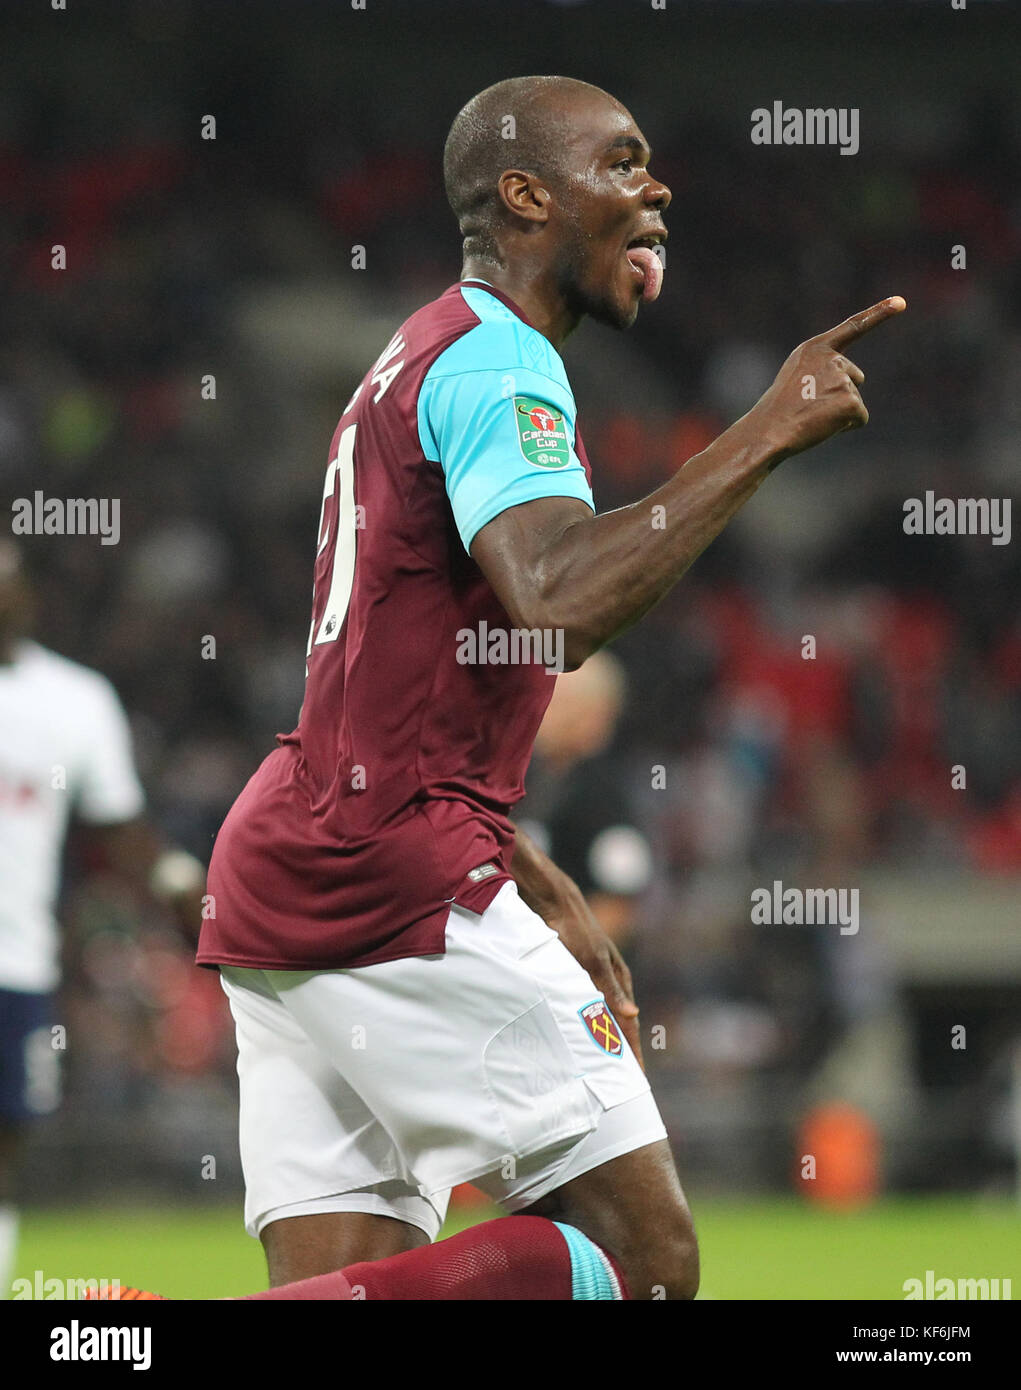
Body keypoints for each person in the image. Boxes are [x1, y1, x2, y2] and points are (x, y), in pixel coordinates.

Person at [102, 73, 902, 1302]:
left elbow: (392, 683)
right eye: (622, 164)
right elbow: (560, 601)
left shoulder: (412, 358)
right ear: (526, 195)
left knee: (357, 1280)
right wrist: (766, 430)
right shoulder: (498, 362)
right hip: (389, 884)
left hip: (290, 862)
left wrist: (523, 868)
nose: (657, 188)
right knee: (646, 1265)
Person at [0, 540, 205, 1297]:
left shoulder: (74, 700)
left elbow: (120, 828)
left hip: (16, 965)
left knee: (7, 1144)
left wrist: (184, 882)